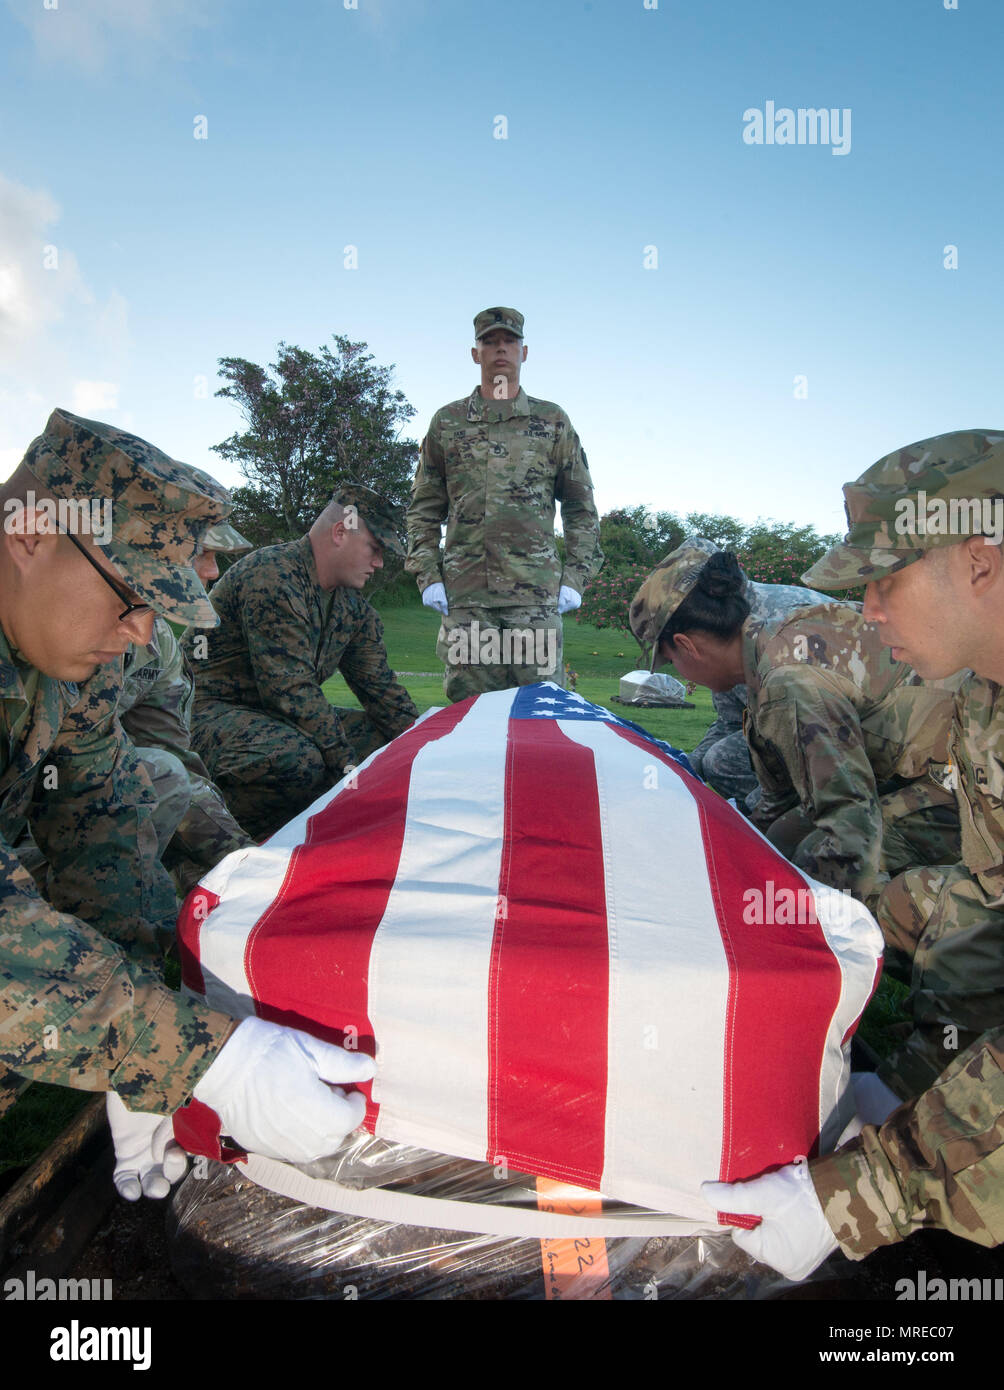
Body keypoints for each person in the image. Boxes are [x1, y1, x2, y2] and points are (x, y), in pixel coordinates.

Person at [0, 409, 375, 1200]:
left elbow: (102, 822)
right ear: (30, 536)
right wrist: (194, 1055)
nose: (141, 635)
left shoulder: (71, 660)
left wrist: (140, 1069)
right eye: (131, 598)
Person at [704, 428, 1004, 1277]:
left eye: (887, 580)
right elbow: (993, 926)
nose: (868, 611)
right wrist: (911, 1080)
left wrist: (872, 1188)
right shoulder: (984, 705)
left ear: (978, 562)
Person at [629, 541, 960, 909]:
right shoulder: (768, 649)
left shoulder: (788, 681)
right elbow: (780, 799)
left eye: (673, 661)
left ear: (686, 646)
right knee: (778, 846)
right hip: (927, 770)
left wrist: (798, 917)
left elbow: (851, 826)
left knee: (811, 868)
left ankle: (927, 926)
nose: (682, 672)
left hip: (963, 781)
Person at [186, 484, 418, 841]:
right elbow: (289, 691)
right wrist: (347, 768)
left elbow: (382, 692)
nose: (380, 563)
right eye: (374, 548)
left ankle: (327, 830)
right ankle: (227, 841)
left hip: (270, 716)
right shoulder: (273, 575)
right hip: (202, 712)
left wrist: (428, 746)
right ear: (340, 532)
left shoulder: (351, 607)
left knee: (382, 744)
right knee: (296, 758)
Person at [405, 306, 603, 701]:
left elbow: (581, 506)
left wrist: (576, 577)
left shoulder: (552, 422)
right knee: (470, 713)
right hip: (467, 599)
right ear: (475, 353)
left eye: (509, 341)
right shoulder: (448, 422)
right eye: (489, 341)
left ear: (524, 352)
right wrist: (427, 574)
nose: (500, 349)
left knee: (542, 712)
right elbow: (424, 507)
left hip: (534, 598)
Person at [118, 519, 256, 894]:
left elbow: (173, 754)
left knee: (165, 773)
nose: (213, 572)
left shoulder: (157, 638)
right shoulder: (67, 624)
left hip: (74, 792)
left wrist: (240, 854)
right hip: (35, 806)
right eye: (202, 554)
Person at [681, 536, 841, 806]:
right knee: (719, 760)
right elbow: (730, 721)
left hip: (847, 742)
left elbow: (821, 733)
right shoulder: (720, 630)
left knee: (780, 824)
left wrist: (764, 809)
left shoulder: (789, 618)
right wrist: (682, 768)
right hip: (788, 738)